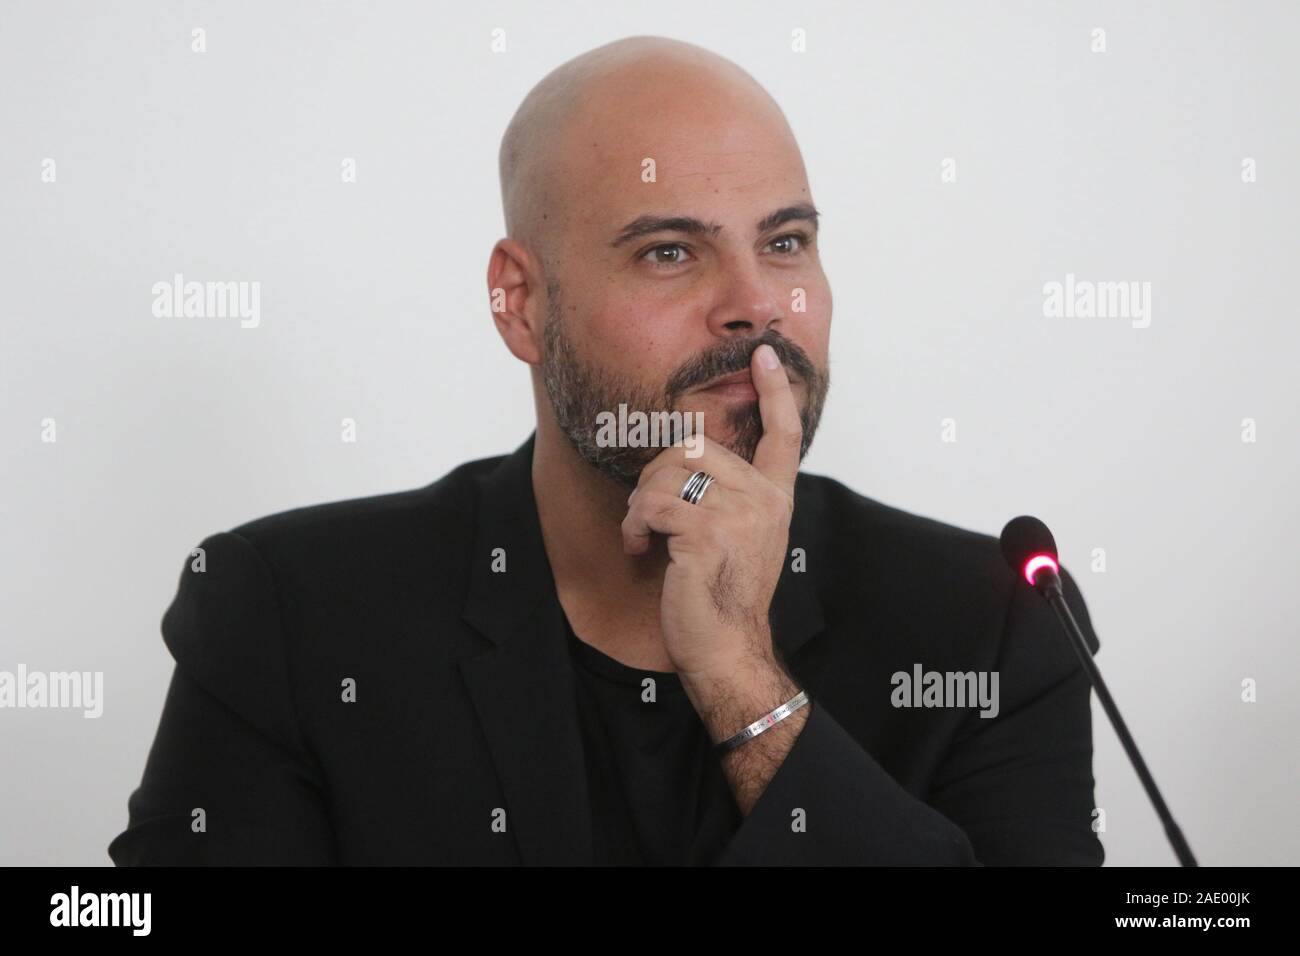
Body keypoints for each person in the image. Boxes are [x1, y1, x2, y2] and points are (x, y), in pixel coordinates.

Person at [108, 35, 1104, 866]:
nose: (755, 302)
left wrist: (745, 684)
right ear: (521, 301)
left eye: (787, 241)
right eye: (669, 250)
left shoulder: (990, 622)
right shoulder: (289, 613)